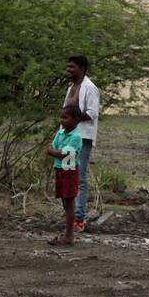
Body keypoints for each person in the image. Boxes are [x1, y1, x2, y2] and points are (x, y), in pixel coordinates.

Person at [63, 54, 100, 232]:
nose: (69, 70)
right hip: (68, 137)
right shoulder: (71, 88)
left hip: (82, 137)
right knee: (68, 173)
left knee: (80, 176)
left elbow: (92, 113)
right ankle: (70, 214)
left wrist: (74, 119)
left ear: (82, 68)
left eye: (72, 67)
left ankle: (78, 217)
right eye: (68, 67)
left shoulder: (90, 88)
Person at [46, 105, 83, 245]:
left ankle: (69, 235)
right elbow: (56, 149)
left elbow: (62, 153)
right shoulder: (60, 133)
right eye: (61, 117)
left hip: (69, 172)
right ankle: (68, 234)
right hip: (60, 170)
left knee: (69, 203)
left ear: (76, 120)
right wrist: (56, 152)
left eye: (65, 117)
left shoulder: (76, 137)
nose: (62, 120)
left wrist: (53, 152)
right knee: (65, 203)